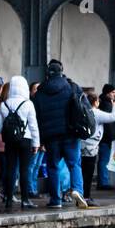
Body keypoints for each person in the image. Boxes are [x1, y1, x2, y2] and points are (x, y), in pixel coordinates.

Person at [33, 59, 86, 209]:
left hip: (51, 137)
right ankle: (77, 190)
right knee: (74, 164)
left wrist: (41, 139)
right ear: (61, 71)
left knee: (53, 167)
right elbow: (84, 107)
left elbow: (36, 117)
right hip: (70, 133)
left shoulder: (40, 93)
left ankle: (56, 200)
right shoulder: (72, 87)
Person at [0, 75, 38, 208]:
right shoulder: (28, 104)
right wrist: (36, 143)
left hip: (10, 141)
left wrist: (6, 131)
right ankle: (25, 200)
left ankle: (8, 199)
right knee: (24, 170)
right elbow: (33, 126)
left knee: (10, 169)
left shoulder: (4, 104)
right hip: (25, 140)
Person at [78, 86, 115, 205]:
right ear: (95, 102)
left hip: (81, 145)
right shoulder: (96, 112)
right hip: (91, 147)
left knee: (80, 171)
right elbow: (113, 117)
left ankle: (80, 194)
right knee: (88, 173)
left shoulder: (82, 112)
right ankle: (86, 196)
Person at [97, 83, 115, 190]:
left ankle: (104, 181)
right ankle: (103, 182)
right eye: (113, 92)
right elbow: (109, 123)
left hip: (104, 137)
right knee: (104, 160)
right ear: (108, 93)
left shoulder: (103, 102)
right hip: (106, 137)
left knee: (104, 160)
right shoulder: (107, 104)